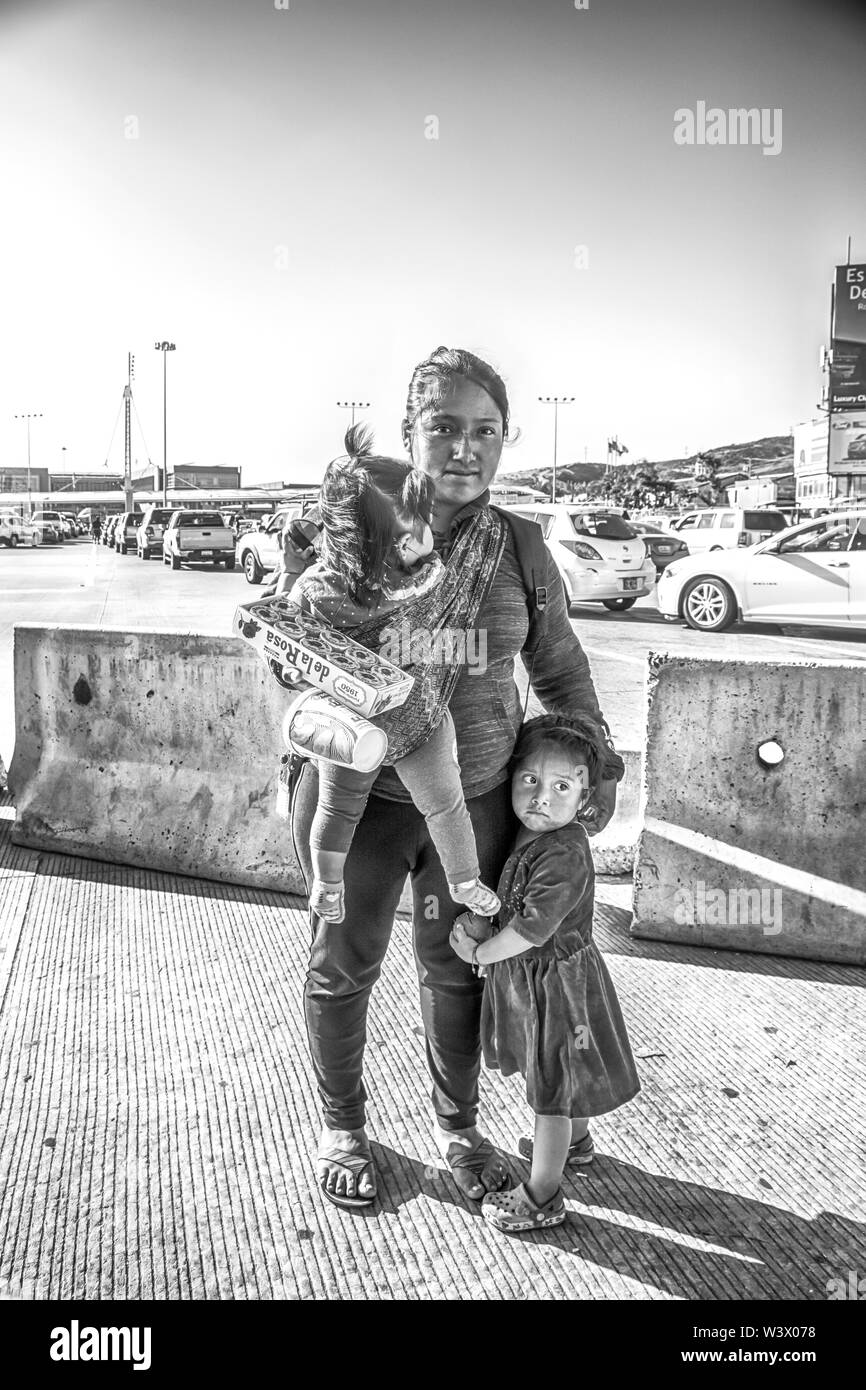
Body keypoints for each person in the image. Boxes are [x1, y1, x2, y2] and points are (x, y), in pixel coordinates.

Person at [290, 346, 625, 1210]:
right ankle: (342, 1125)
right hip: (355, 793)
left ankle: (458, 1127)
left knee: (461, 965)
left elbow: (559, 669)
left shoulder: (518, 546)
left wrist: (591, 764)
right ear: (410, 432)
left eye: (486, 431)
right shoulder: (350, 516)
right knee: (343, 961)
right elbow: (292, 647)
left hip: (471, 800)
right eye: (443, 427)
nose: (465, 449)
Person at [288, 424, 501, 924]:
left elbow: (287, 624)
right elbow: (289, 645)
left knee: (445, 804)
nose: (418, 542)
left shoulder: (336, 587)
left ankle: (464, 881)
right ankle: (327, 884)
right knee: (341, 807)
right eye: (398, 536)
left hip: (414, 717)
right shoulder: (324, 591)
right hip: (358, 725)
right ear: (353, 542)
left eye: (420, 526)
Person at [450, 714, 640, 1233]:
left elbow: (533, 929)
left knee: (552, 1094)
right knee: (564, 1075)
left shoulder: (563, 853)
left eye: (561, 786)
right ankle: (576, 1145)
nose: (541, 796)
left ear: (584, 799)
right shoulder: (536, 833)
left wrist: (480, 954)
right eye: (529, 780)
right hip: (549, 981)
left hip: (556, 987)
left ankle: (541, 1195)